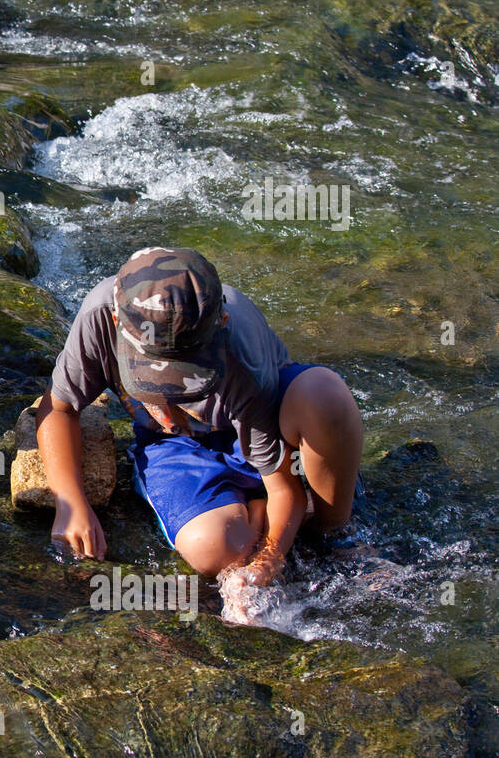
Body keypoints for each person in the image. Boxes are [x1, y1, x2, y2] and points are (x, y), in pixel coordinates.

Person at [35, 247, 363, 585]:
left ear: (222, 322)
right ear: (118, 322)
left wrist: (267, 561)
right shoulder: (100, 317)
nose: (170, 398)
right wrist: (70, 504)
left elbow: (283, 489)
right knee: (211, 549)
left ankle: (331, 532)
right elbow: (59, 409)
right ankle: (258, 510)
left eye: (184, 375)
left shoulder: (240, 348)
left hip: (259, 424)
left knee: (325, 395)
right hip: (175, 445)